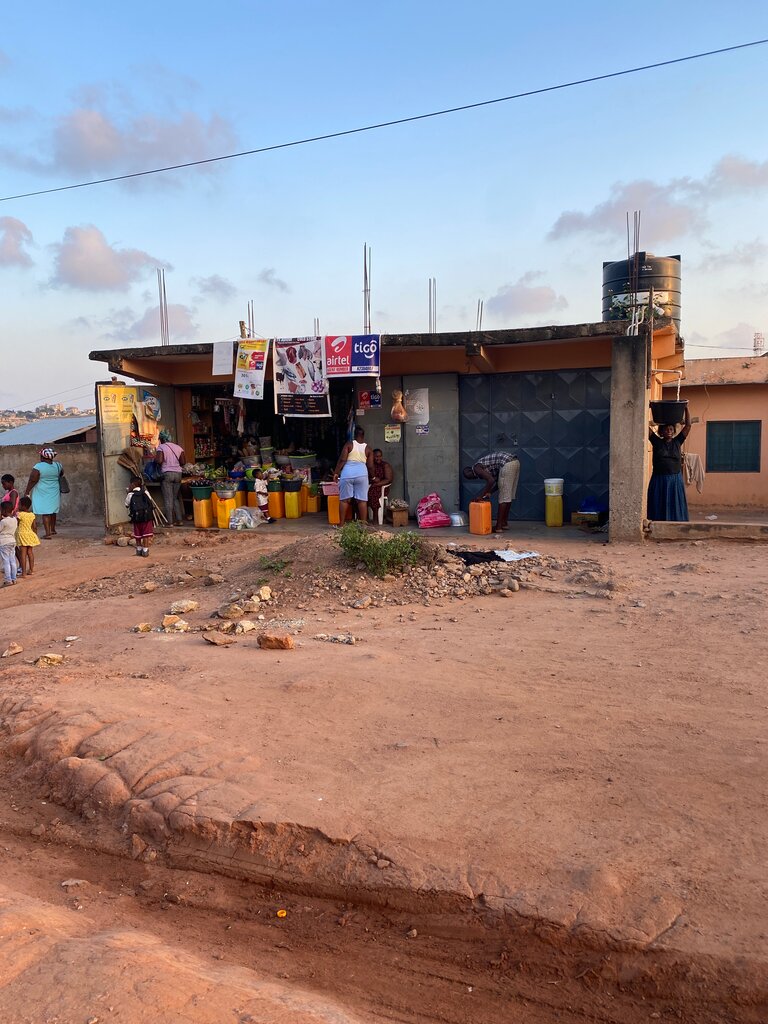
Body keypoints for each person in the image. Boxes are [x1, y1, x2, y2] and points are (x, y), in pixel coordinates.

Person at [647, 406, 691, 521]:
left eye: (671, 429)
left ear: (674, 431)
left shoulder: (678, 441)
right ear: (661, 431)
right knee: (659, 504)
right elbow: (645, 428)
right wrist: (648, 409)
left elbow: (688, 426)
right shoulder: (656, 442)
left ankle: (677, 525)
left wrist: (686, 408)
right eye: (666, 429)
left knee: (675, 503)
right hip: (659, 480)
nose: (669, 431)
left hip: (675, 480)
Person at [462, 451, 520, 533]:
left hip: (507, 463)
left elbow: (491, 481)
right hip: (515, 462)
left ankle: (498, 527)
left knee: (503, 498)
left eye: (470, 477)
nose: (474, 479)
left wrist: (481, 496)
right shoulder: (488, 469)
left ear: (470, 472)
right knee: (507, 496)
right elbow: (498, 483)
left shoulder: (476, 468)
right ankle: (504, 523)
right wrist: (490, 492)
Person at [333, 427, 372, 525]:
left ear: (354, 435)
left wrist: (336, 472)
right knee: (362, 500)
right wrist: (374, 477)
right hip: (362, 475)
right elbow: (371, 466)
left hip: (347, 474)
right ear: (363, 435)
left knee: (344, 500)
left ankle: (341, 524)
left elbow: (342, 460)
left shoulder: (349, 444)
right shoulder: (368, 449)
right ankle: (363, 525)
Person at [24, 448, 64, 540]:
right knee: (53, 511)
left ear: (42, 456)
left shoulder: (38, 466)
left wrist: (27, 491)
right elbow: (61, 474)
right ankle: (53, 529)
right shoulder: (58, 465)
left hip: (42, 491)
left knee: (45, 512)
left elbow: (33, 479)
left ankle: (47, 534)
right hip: (54, 490)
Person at [154, 429, 185, 526]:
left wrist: (154, 461)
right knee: (175, 498)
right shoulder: (178, 447)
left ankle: (170, 522)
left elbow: (159, 461)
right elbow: (183, 462)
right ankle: (179, 520)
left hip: (167, 474)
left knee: (168, 498)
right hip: (178, 474)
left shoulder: (161, 447)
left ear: (162, 439)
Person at [125, 475, 154, 556]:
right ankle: (145, 550)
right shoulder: (145, 492)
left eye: (130, 484)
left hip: (136, 518)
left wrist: (127, 493)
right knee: (146, 534)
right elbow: (150, 501)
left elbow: (126, 504)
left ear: (133, 485)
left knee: (138, 533)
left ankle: (138, 549)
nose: (129, 486)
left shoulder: (130, 494)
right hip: (147, 517)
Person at [15, 495, 40, 576]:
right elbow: (35, 527)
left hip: (22, 534)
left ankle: (24, 573)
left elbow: (16, 524)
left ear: (23, 506)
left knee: (23, 553)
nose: (18, 506)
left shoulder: (20, 514)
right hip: (30, 534)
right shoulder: (32, 515)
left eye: (19, 504)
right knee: (30, 552)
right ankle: (31, 570)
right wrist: (34, 535)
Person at [368, 449, 394, 519]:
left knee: (373, 493)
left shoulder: (385, 465)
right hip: (371, 485)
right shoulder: (370, 465)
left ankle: (375, 517)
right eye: (376, 456)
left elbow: (388, 479)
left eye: (379, 456)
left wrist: (377, 484)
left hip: (382, 487)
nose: (378, 458)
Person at [0, 501, 17, 586]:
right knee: (12, 561)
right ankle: (14, 579)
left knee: (6, 562)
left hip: (4, 542)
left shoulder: (3, 521)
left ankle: (8, 580)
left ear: (4, 510)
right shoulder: (14, 519)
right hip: (12, 541)